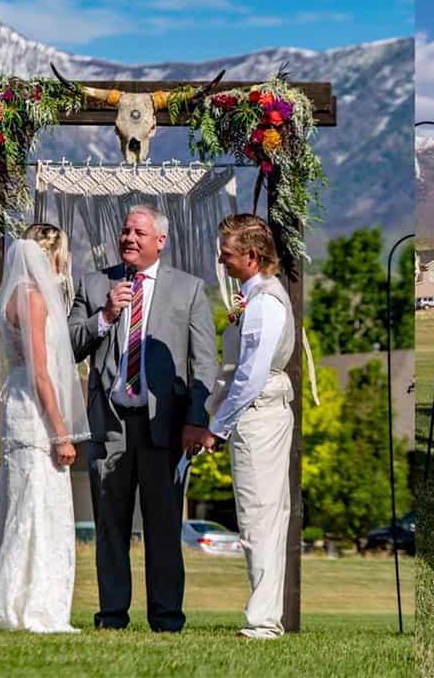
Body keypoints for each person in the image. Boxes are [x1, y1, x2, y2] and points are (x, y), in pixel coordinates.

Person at [68, 205, 217, 632]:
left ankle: (166, 617)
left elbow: (204, 364)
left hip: (165, 429)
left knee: (164, 526)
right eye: (125, 231)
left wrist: (195, 420)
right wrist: (105, 317)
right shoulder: (95, 284)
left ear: (160, 242)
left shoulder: (188, 290)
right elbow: (67, 344)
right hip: (110, 425)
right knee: (110, 526)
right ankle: (111, 615)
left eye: (139, 232)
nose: (129, 238)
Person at [0, 224, 89, 632]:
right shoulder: (35, 299)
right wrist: (61, 431)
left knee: (18, 503)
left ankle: (4, 598)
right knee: (38, 503)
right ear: (51, 257)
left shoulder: (9, 301)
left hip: (17, 404)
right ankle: (32, 605)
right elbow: (42, 373)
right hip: (37, 410)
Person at [190, 214, 295, 640]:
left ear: (252, 257)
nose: (222, 259)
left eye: (228, 253)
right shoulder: (253, 299)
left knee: (259, 517)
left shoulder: (266, 303)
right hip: (256, 414)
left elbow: (250, 377)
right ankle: (266, 615)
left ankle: (264, 621)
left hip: (259, 417)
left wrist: (218, 426)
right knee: (264, 515)